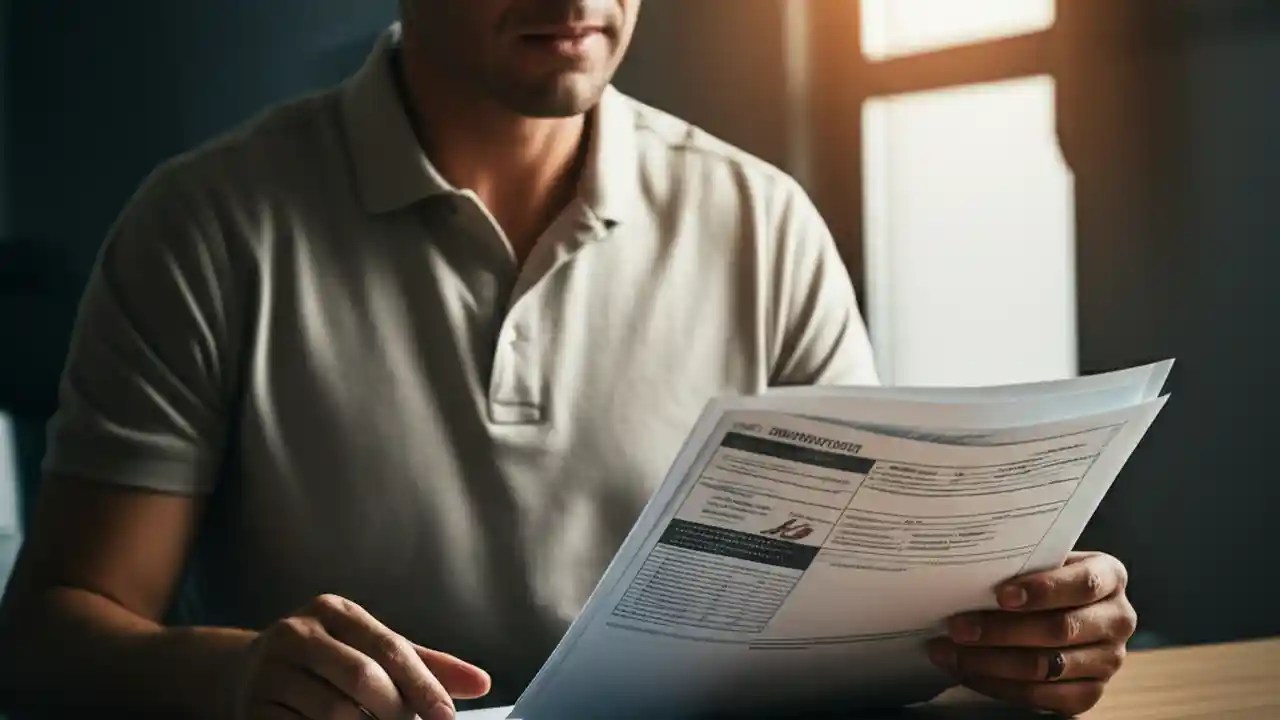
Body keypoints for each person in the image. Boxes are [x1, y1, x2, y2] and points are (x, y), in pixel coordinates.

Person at [0, 1, 1138, 718]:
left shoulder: (760, 220)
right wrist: (237, 679)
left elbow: (865, 629)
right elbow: (52, 637)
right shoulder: (207, 224)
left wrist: (1020, 649)